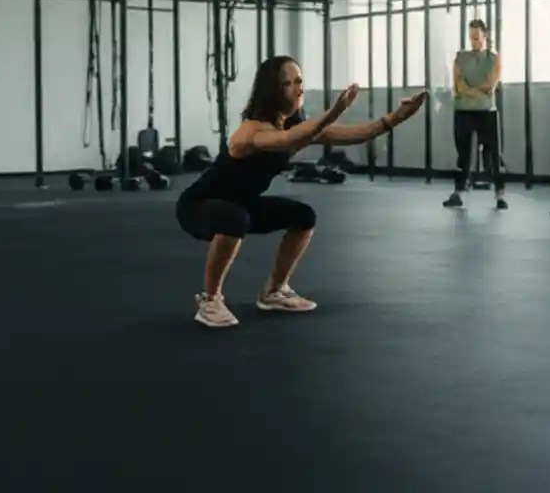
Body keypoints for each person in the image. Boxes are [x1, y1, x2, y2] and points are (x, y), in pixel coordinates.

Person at [176, 55, 427, 329]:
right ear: (273, 91)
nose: (299, 88)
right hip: (198, 206)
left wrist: (395, 118)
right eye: (289, 83)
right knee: (235, 218)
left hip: (243, 204)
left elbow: (355, 133)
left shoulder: (295, 126)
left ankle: (273, 291)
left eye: (300, 81)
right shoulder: (250, 131)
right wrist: (333, 113)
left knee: (302, 216)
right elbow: (287, 140)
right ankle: (210, 300)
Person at [444, 19, 506, 209]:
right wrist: (475, 92)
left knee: (493, 155)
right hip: (464, 111)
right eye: (471, 37)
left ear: (484, 36)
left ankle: (500, 195)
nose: (474, 41)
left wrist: (471, 91)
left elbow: (490, 85)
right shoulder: (461, 57)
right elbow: (458, 85)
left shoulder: (494, 59)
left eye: (477, 37)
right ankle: (459, 192)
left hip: (486, 112)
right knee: (463, 155)